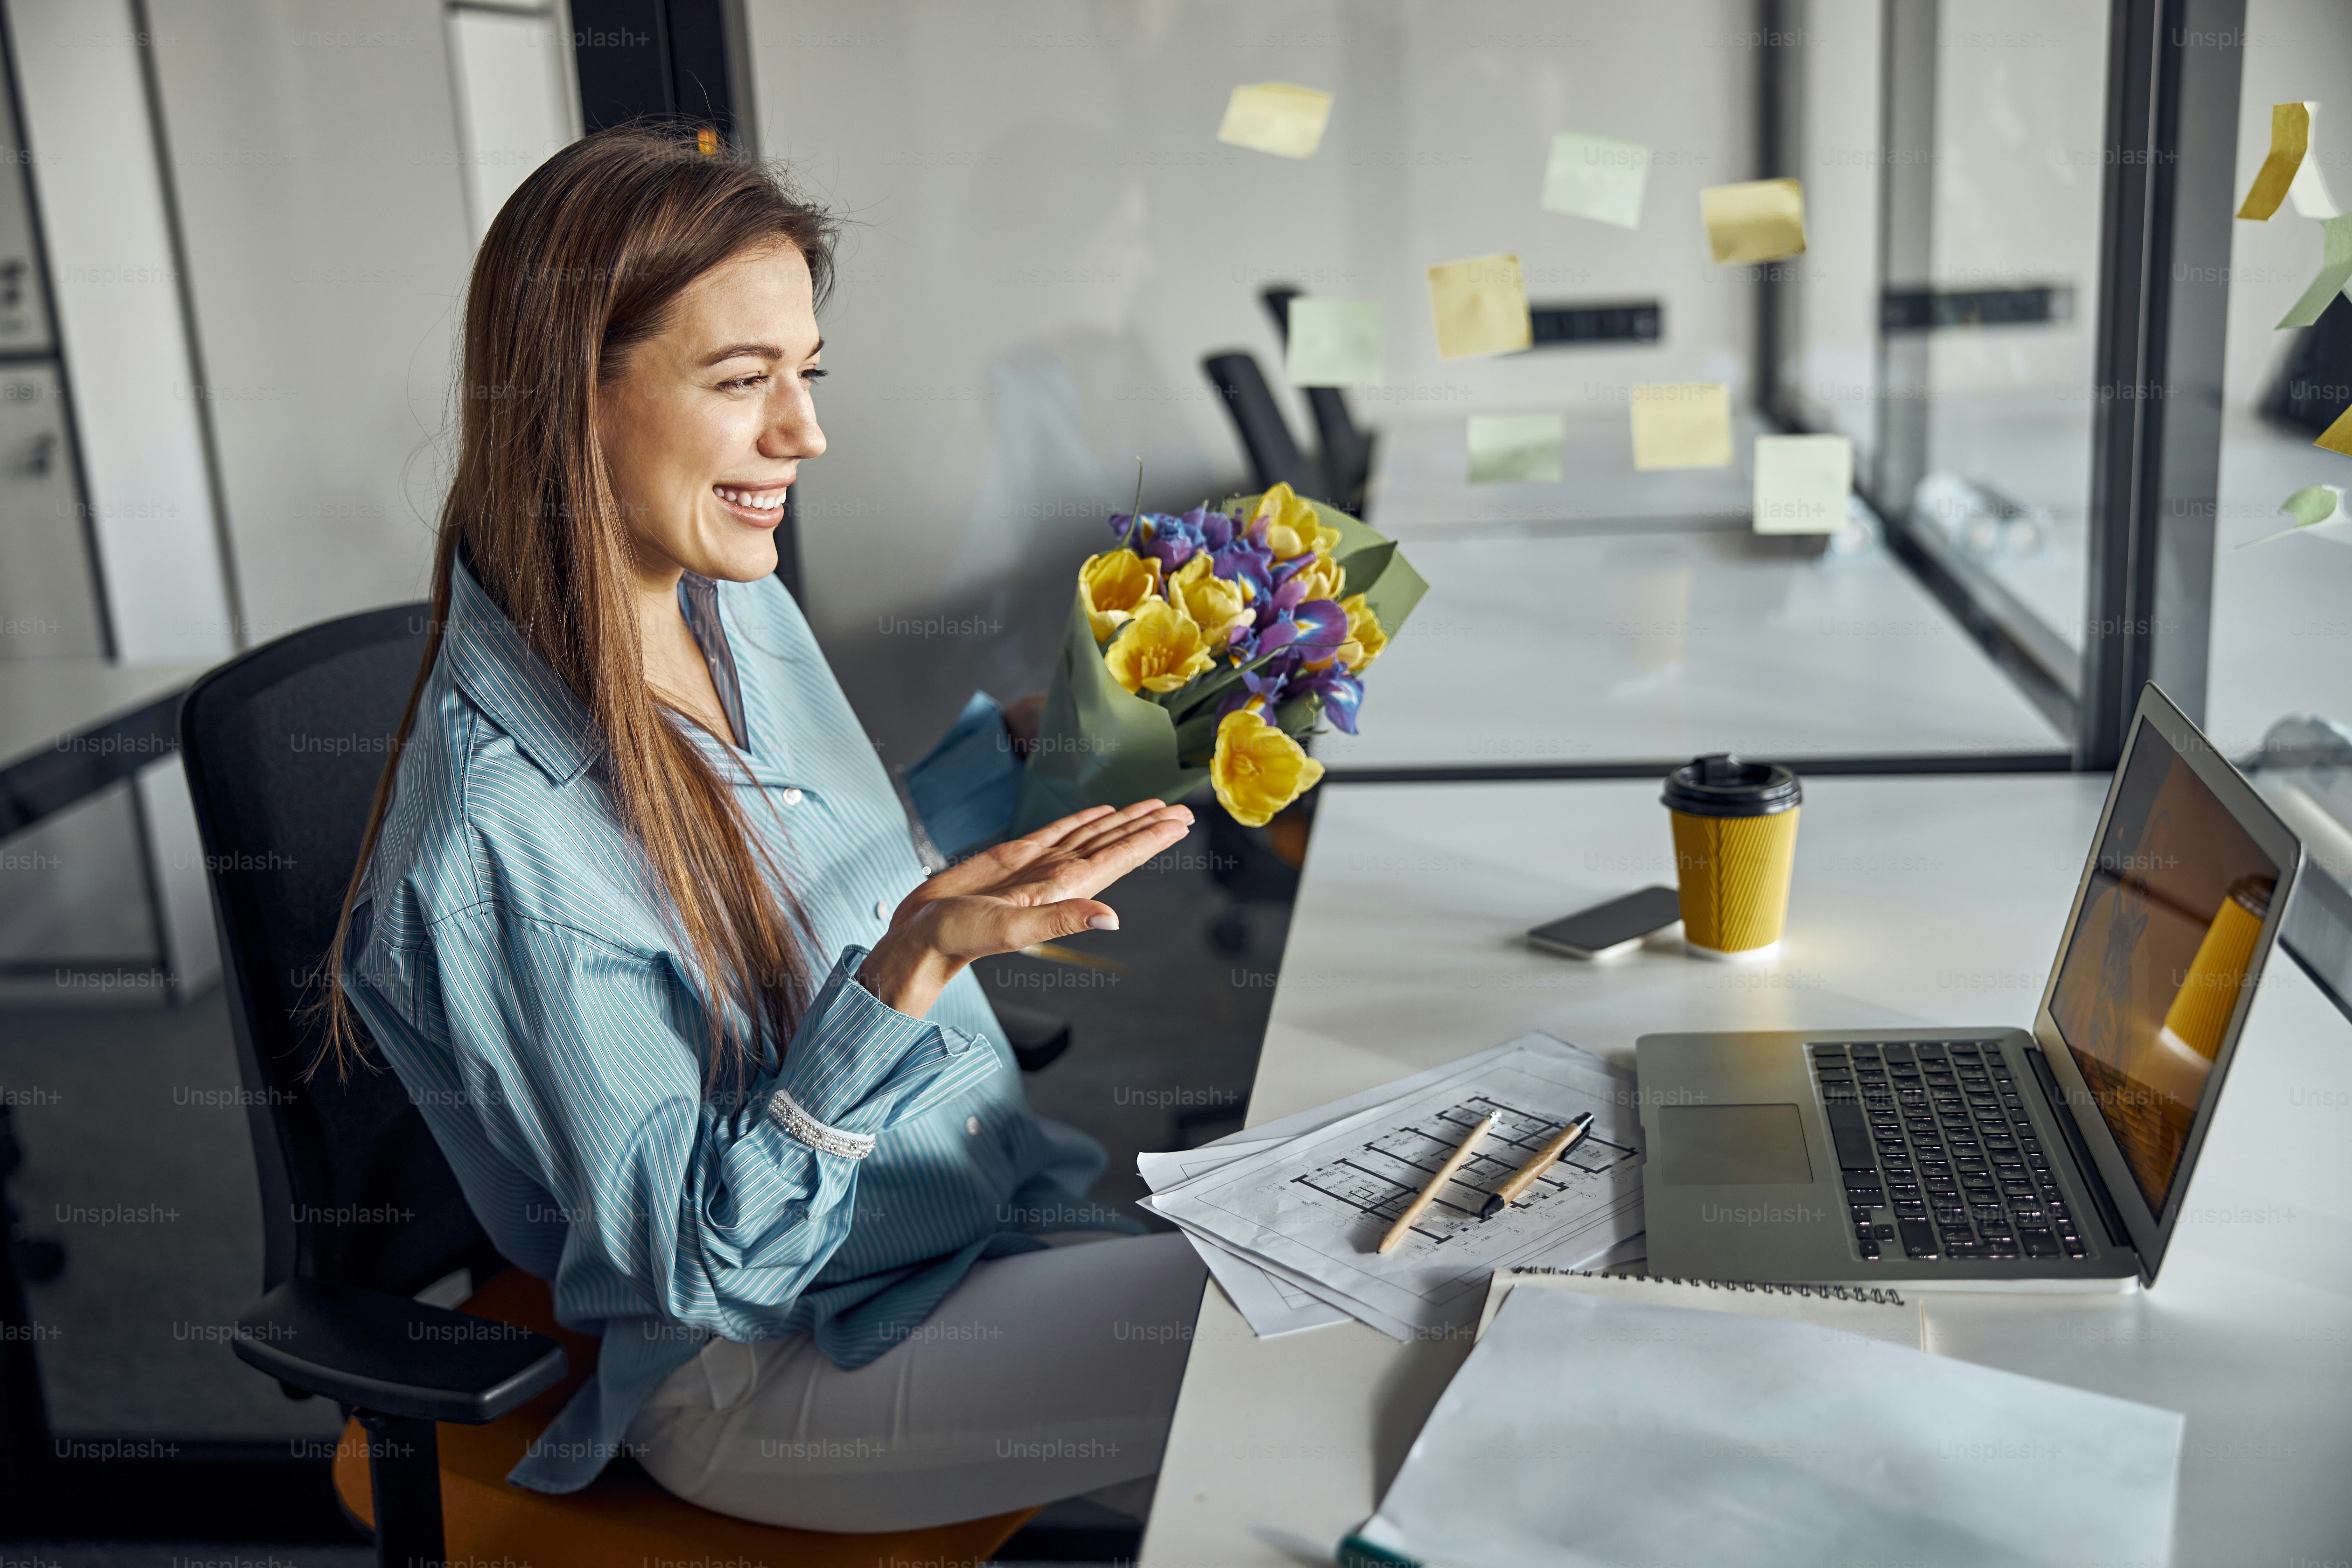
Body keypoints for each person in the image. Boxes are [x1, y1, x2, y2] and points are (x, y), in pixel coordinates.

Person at [321, 124, 1205, 1532]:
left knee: (1353, 1300)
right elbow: (695, 1260)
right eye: (744, 383)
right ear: (571, 402)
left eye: (807, 373)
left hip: (947, 1234)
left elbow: (787, 879)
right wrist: (906, 974)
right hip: (764, 1361)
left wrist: (1021, 759)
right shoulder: (499, 840)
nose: (806, 433)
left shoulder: (732, 605)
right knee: (1301, 1336)